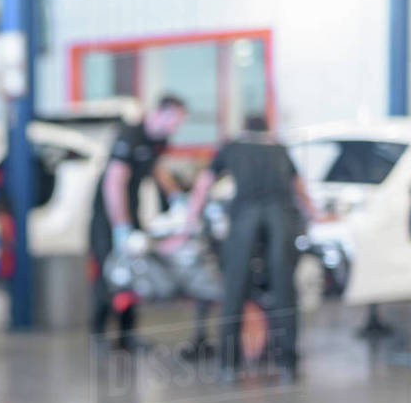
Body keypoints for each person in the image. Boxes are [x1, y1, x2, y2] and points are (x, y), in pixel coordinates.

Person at [182, 113, 318, 381]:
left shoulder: (232, 146)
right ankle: (287, 365)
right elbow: (299, 188)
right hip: (281, 218)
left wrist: (189, 220)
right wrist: (316, 215)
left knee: (234, 289)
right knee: (284, 289)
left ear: (244, 129)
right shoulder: (279, 149)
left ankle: (228, 366)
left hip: (245, 217)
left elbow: (204, 184)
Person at [87, 95, 187, 351]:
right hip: (108, 217)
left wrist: (176, 196)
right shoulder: (130, 135)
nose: (176, 126)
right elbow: (114, 183)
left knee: (134, 275)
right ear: (160, 112)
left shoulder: (157, 140)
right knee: (110, 275)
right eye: (175, 119)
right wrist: (121, 228)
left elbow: (156, 169)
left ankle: (127, 336)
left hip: (132, 214)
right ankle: (98, 336)